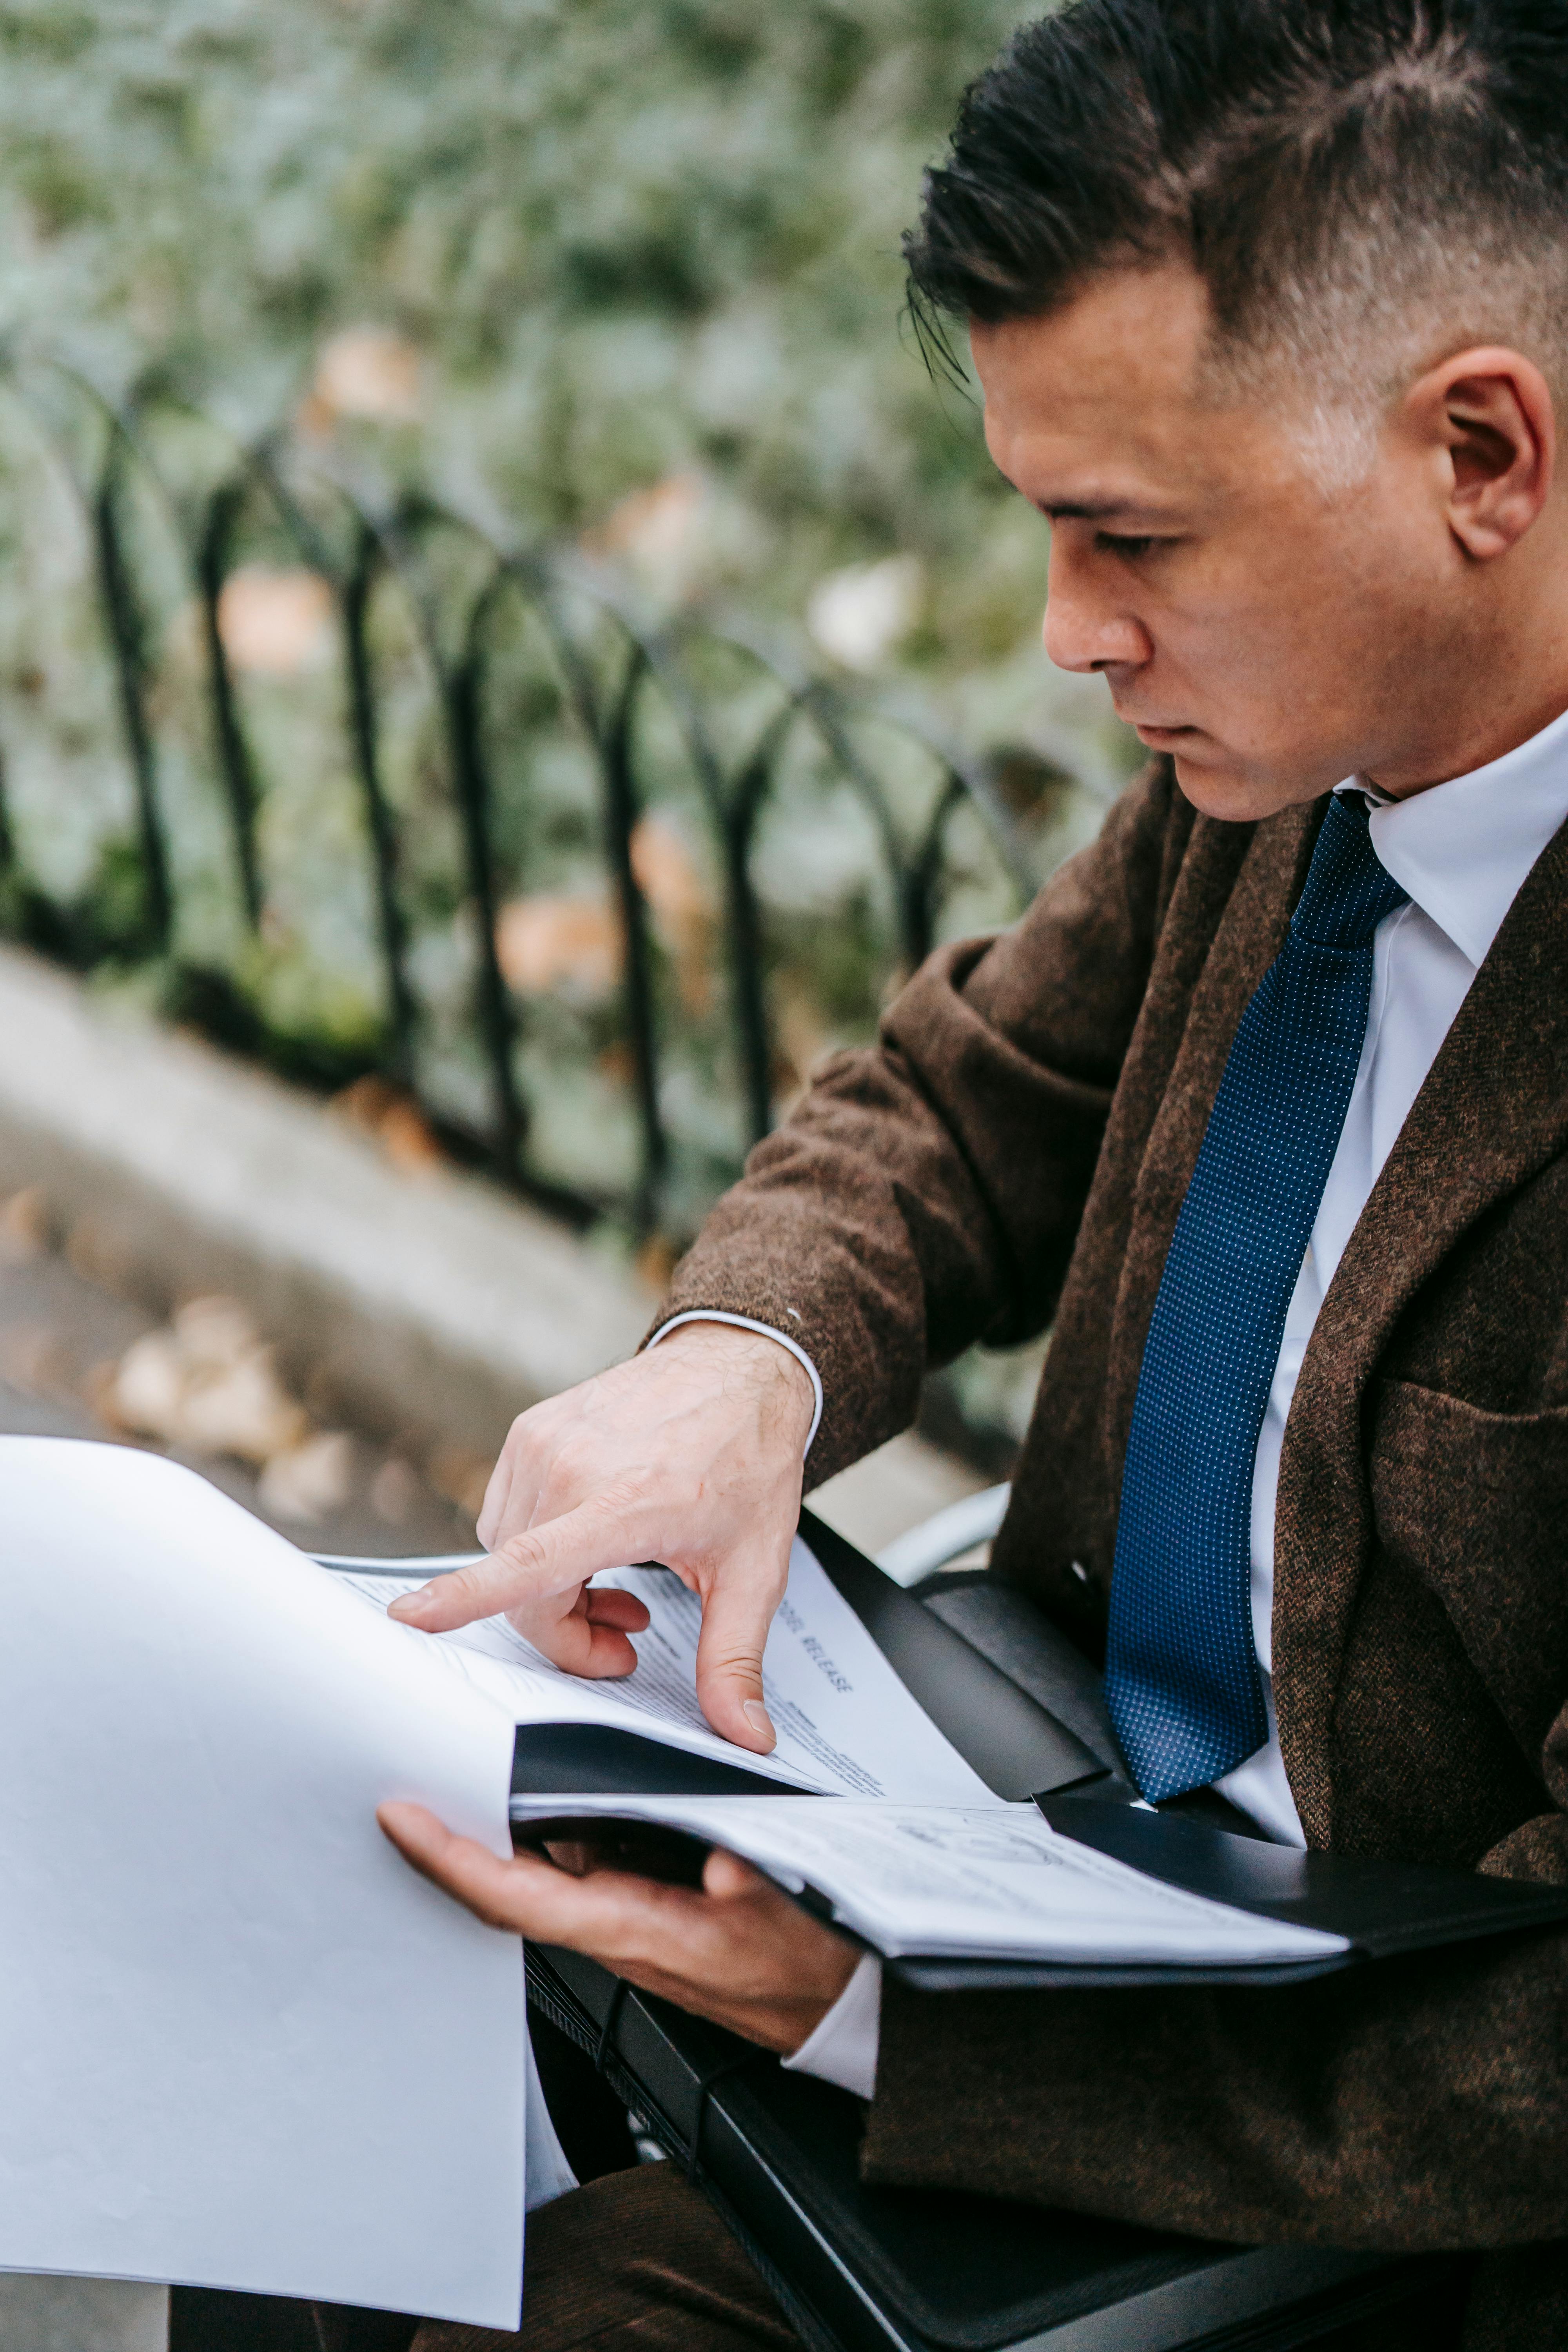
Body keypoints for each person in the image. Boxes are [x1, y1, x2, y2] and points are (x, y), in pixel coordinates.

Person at [372, 4, 1568, 2345]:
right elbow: (959, 1101)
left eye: (1132, 536)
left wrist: (893, 2032)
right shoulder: (1304, 770)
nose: (1065, 636)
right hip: (1013, 1830)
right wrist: (740, 1366)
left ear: (1482, 449)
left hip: (1355, 2189)